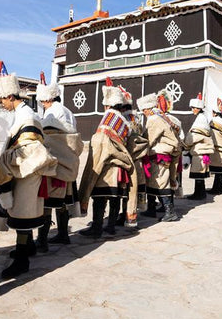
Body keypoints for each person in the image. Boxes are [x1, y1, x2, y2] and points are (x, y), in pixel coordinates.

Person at [0, 61, 57, 279]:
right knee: (22, 214)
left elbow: (30, 150)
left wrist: (4, 158)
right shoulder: (22, 114)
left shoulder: (27, 117)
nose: (2, 104)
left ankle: (21, 260)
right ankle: (26, 248)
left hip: (26, 173)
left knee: (22, 217)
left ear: (11, 96)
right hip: (23, 173)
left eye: (2, 99)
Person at [78, 78, 134, 238]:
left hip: (107, 164)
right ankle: (110, 226)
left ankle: (96, 227)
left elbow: (100, 141)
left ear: (107, 104)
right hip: (120, 165)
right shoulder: (124, 121)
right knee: (115, 196)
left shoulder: (109, 117)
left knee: (100, 197)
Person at [34, 73, 82, 252]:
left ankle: (42, 240)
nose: (42, 104)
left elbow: (50, 139)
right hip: (69, 161)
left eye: (43, 101)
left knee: (48, 202)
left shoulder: (52, 112)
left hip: (55, 163)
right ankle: (63, 234)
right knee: (62, 201)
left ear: (47, 98)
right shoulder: (68, 111)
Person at [136, 93, 181, 221]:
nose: (143, 112)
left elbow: (149, 139)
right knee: (153, 182)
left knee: (161, 182)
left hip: (161, 154)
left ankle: (170, 211)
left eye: (144, 110)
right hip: (158, 154)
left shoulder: (154, 119)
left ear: (148, 109)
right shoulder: (159, 117)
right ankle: (151, 209)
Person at [117, 86, 148, 228]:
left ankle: (124, 216)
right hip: (138, 160)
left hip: (128, 159)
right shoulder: (137, 119)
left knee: (125, 191)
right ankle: (130, 216)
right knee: (133, 191)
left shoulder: (123, 120)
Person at [184, 93, 215, 200]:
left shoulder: (199, 121)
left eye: (193, 108)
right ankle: (200, 193)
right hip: (204, 151)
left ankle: (199, 194)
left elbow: (194, 136)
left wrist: (186, 144)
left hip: (199, 151)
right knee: (200, 175)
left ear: (198, 109)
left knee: (198, 175)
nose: (192, 110)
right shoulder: (203, 118)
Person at [208, 98, 222, 195]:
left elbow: (211, 133)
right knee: (221, 171)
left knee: (218, 170)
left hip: (218, 148)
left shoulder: (214, 121)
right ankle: (219, 188)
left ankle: (216, 189)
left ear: (214, 112)